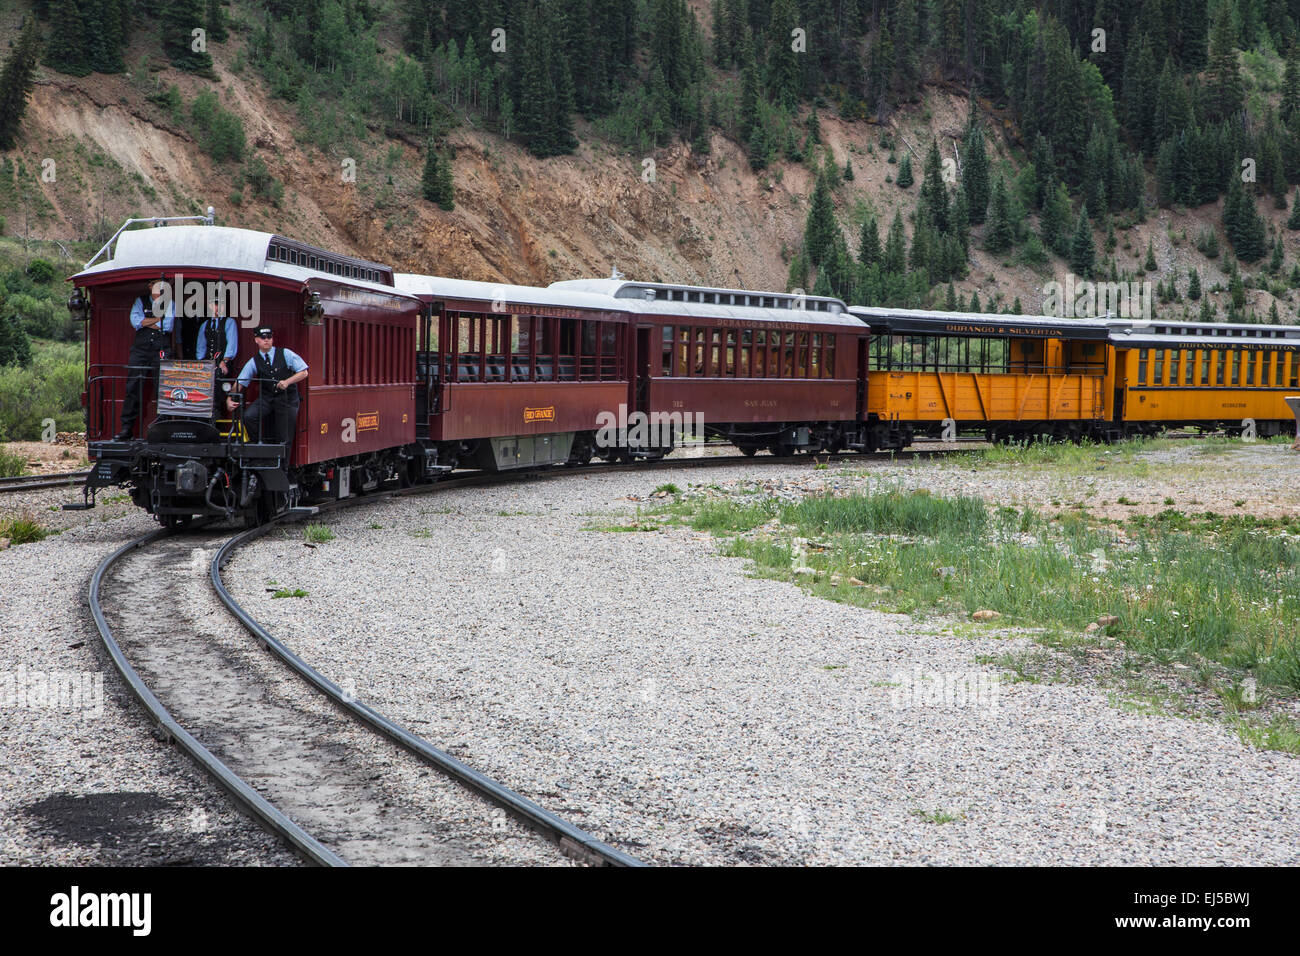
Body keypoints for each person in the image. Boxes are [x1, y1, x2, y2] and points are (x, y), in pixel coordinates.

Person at [226, 326, 308, 445]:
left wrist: (287, 382)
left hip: (287, 398)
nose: (266, 340)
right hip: (267, 398)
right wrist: (229, 398)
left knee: (284, 435)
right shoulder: (254, 361)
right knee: (249, 416)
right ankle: (259, 446)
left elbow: (304, 372)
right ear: (256, 340)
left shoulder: (285, 353)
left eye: (269, 337)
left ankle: (283, 463)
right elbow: (240, 382)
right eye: (263, 337)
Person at [115, 280, 176, 441]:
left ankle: (163, 430)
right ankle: (126, 429)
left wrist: (146, 321)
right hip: (140, 350)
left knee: (163, 389)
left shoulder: (169, 303)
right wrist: (157, 319)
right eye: (156, 285)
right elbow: (136, 322)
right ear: (150, 287)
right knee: (132, 387)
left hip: (161, 349)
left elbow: (168, 325)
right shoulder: (140, 301)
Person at [195, 292, 239, 377]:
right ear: (210, 306)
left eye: (221, 305)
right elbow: (201, 347)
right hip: (207, 364)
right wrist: (202, 363)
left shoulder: (229, 322)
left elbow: (231, 345)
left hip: (223, 364)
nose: (218, 307)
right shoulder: (205, 325)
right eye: (216, 304)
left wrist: (225, 361)